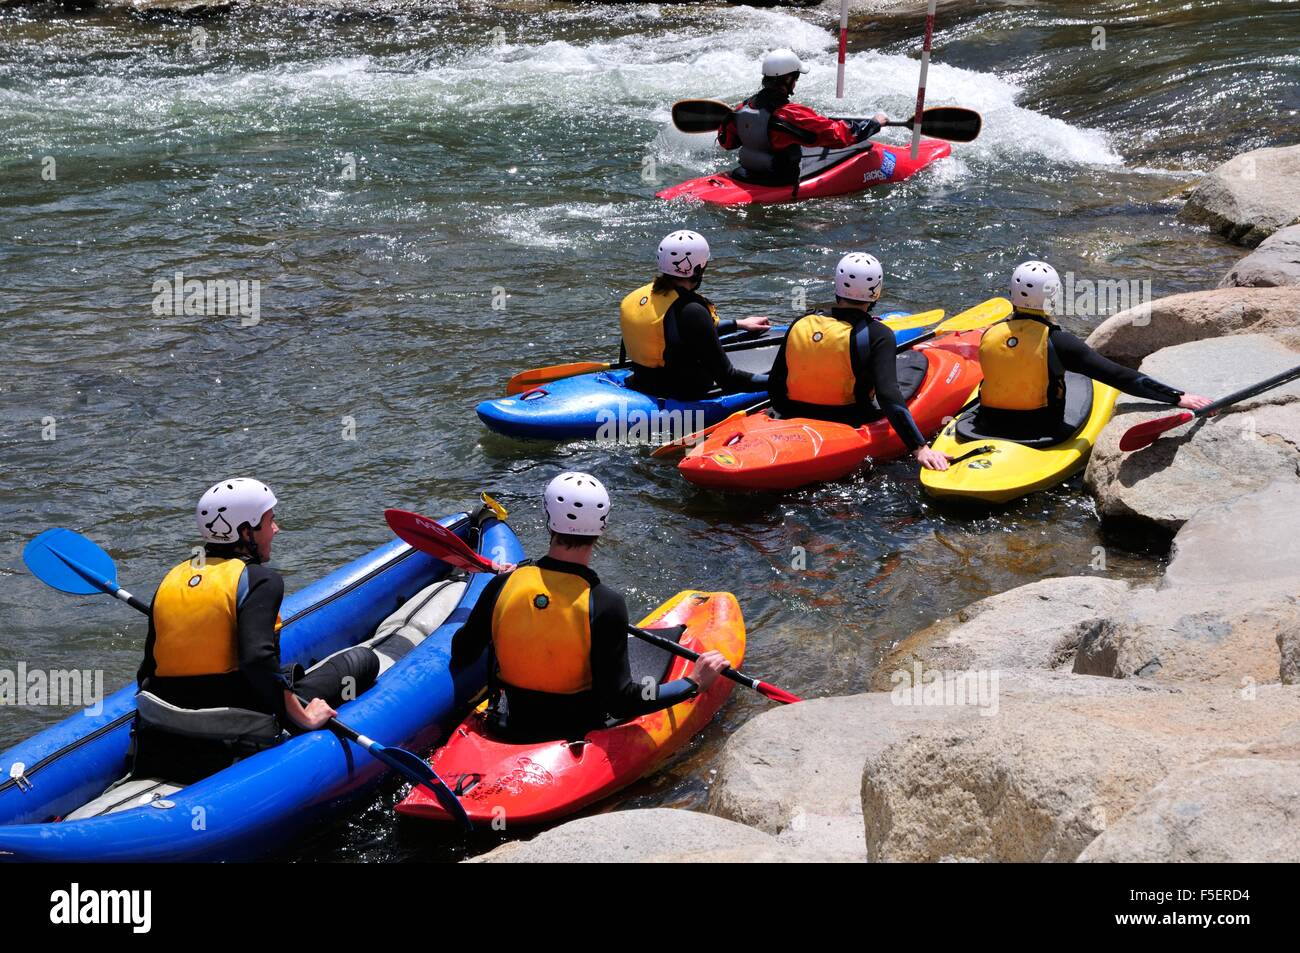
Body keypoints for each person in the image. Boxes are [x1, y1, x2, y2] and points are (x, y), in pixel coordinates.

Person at [450, 472, 730, 743]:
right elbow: (622, 701)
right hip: (571, 733)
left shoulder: (504, 583)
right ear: (603, 526)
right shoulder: (605, 603)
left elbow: (462, 655)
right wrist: (691, 684)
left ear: (548, 520)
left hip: (506, 725)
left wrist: (506, 601)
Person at [134, 478, 380, 777]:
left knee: (285, 672)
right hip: (239, 716)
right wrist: (303, 717)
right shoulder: (259, 579)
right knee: (362, 661)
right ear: (247, 532)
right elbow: (257, 660)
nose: (275, 529)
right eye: (270, 521)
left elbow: (148, 669)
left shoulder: (172, 578)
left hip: (168, 719)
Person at [974, 261, 1213, 440]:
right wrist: (1177, 396)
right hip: (1039, 427)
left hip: (988, 422)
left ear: (1011, 294)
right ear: (1054, 297)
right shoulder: (1060, 342)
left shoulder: (990, 334)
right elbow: (1117, 376)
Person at [767, 252, 952, 470]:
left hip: (791, 413)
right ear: (877, 290)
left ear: (837, 285)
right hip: (849, 419)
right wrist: (920, 448)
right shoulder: (878, 334)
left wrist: (778, 417)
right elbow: (888, 396)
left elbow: (776, 383)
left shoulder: (802, 322)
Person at [619, 229, 771, 400]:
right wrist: (780, 382)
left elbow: (674, 334)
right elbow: (728, 379)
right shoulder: (691, 310)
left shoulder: (638, 297)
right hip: (678, 392)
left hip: (640, 380)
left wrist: (739, 324)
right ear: (698, 268)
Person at [716, 48, 888, 186]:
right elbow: (840, 136)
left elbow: (727, 143)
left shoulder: (743, 108)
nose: (796, 81)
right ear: (788, 79)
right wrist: (873, 124)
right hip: (778, 180)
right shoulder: (790, 114)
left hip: (747, 173)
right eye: (796, 77)